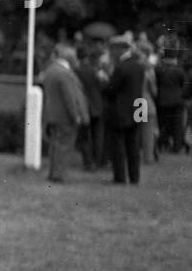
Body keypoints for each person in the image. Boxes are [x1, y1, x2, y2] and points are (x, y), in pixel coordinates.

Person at [39, 43, 89, 184]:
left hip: (52, 115)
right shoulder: (64, 74)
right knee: (64, 146)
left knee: (55, 145)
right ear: (70, 58)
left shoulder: (51, 70)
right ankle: (59, 174)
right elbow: (69, 98)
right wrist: (76, 116)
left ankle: (53, 172)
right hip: (64, 116)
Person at [102, 33, 146, 185]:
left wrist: (104, 81)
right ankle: (135, 177)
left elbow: (111, 89)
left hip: (120, 112)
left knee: (118, 146)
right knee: (133, 146)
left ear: (120, 49)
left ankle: (120, 177)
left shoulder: (121, 67)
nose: (112, 53)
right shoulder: (139, 66)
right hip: (138, 109)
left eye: (113, 49)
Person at [73, 47, 106, 171]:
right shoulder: (95, 71)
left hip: (84, 107)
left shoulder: (75, 71)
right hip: (97, 105)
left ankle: (88, 162)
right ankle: (97, 161)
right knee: (97, 136)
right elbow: (103, 86)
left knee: (85, 137)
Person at [155, 45, 188, 154]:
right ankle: (177, 147)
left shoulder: (159, 69)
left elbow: (157, 84)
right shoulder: (179, 70)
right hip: (177, 101)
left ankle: (162, 143)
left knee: (163, 124)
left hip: (163, 101)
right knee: (177, 125)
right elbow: (183, 84)